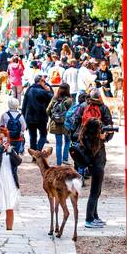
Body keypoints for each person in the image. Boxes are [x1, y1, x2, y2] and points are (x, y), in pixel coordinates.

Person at [71, 89, 115, 228]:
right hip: (97, 151)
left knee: (96, 187)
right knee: (96, 189)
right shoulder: (103, 108)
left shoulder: (83, 107)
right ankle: (90, 218)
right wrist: (105, 137)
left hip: (85, 150)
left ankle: (94, 216)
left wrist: (80, 138)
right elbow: (109, 127)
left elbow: (74, 123)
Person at [0, 126, 21, 231]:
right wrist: (1, 149)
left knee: (10, 209)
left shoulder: (11, 150)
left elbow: (18, 162)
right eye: (0, 139)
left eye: (5, 138)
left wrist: (10, 151)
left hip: (11, 183)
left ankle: (9, 231)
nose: (3, 141)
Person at [22, 74, 52, 152]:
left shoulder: (29, 89)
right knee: (43, 135)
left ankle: (34, 154)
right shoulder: (43, 91)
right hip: (41, 118)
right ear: (40, 81)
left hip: (30, 117)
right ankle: (38, 151)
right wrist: (48, 91)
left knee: (32, 137)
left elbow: (24, 104)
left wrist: (23, 117)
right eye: (44, 81)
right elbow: (52, 100)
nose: (45, 83)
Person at [47, 85, 73, 166]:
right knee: (68, 141)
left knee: (58, 144)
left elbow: (48, 110)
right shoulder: (69, 100)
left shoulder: (54, 99)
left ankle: (58, 162)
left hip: (56, 125)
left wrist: (53, 118)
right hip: (66, 125)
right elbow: (71, 114)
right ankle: (65, 159)